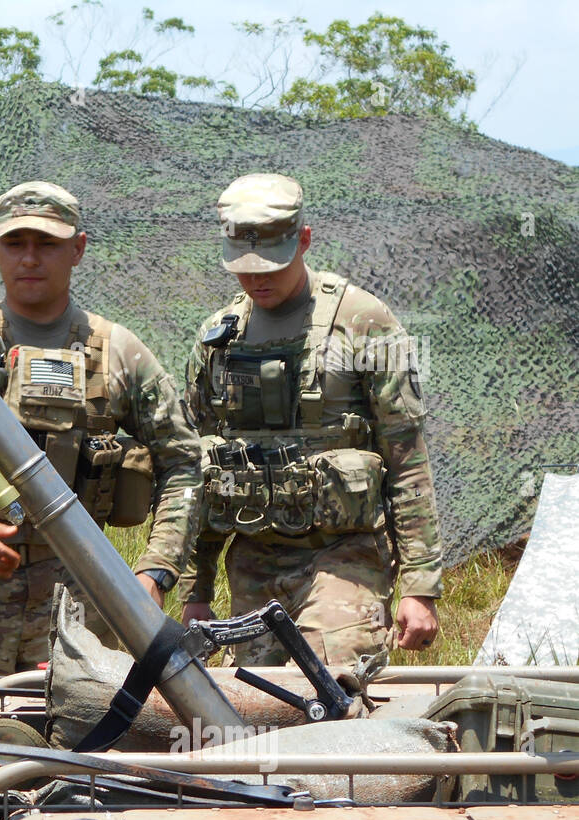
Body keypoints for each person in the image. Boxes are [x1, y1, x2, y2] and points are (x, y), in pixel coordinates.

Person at [0, 180, 201, 692]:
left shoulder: (118, 352)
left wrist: (155, 574)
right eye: (15, 244)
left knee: (80, 758)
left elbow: (184, 462)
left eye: (47, 244)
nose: (30, 259)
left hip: (79, 613)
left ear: (78, 249)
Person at [179, 172, 443, 666]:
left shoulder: (364, 320)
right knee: (248, 708)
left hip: (348, 556)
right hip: (253, 560)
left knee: (331, 680)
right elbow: (201, 468)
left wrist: (420, 584)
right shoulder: (219, 338)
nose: (257, 279)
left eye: (271, 265)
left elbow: (407, 457)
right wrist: (196, 589)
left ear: (304, 240)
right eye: (242, 266)